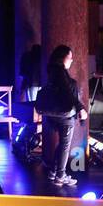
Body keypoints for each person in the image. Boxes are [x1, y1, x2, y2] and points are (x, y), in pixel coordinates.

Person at [37, 45, 87, 187]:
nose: (71, 60)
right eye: (69, 57)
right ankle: (60, 175)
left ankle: (54, 171)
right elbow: (67, 92)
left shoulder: (52, 70)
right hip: (65, 113)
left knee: (62, 144)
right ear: (62, 57)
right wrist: (80, 108)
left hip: (54, 113)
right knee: (65, 145)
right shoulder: (60, 72)